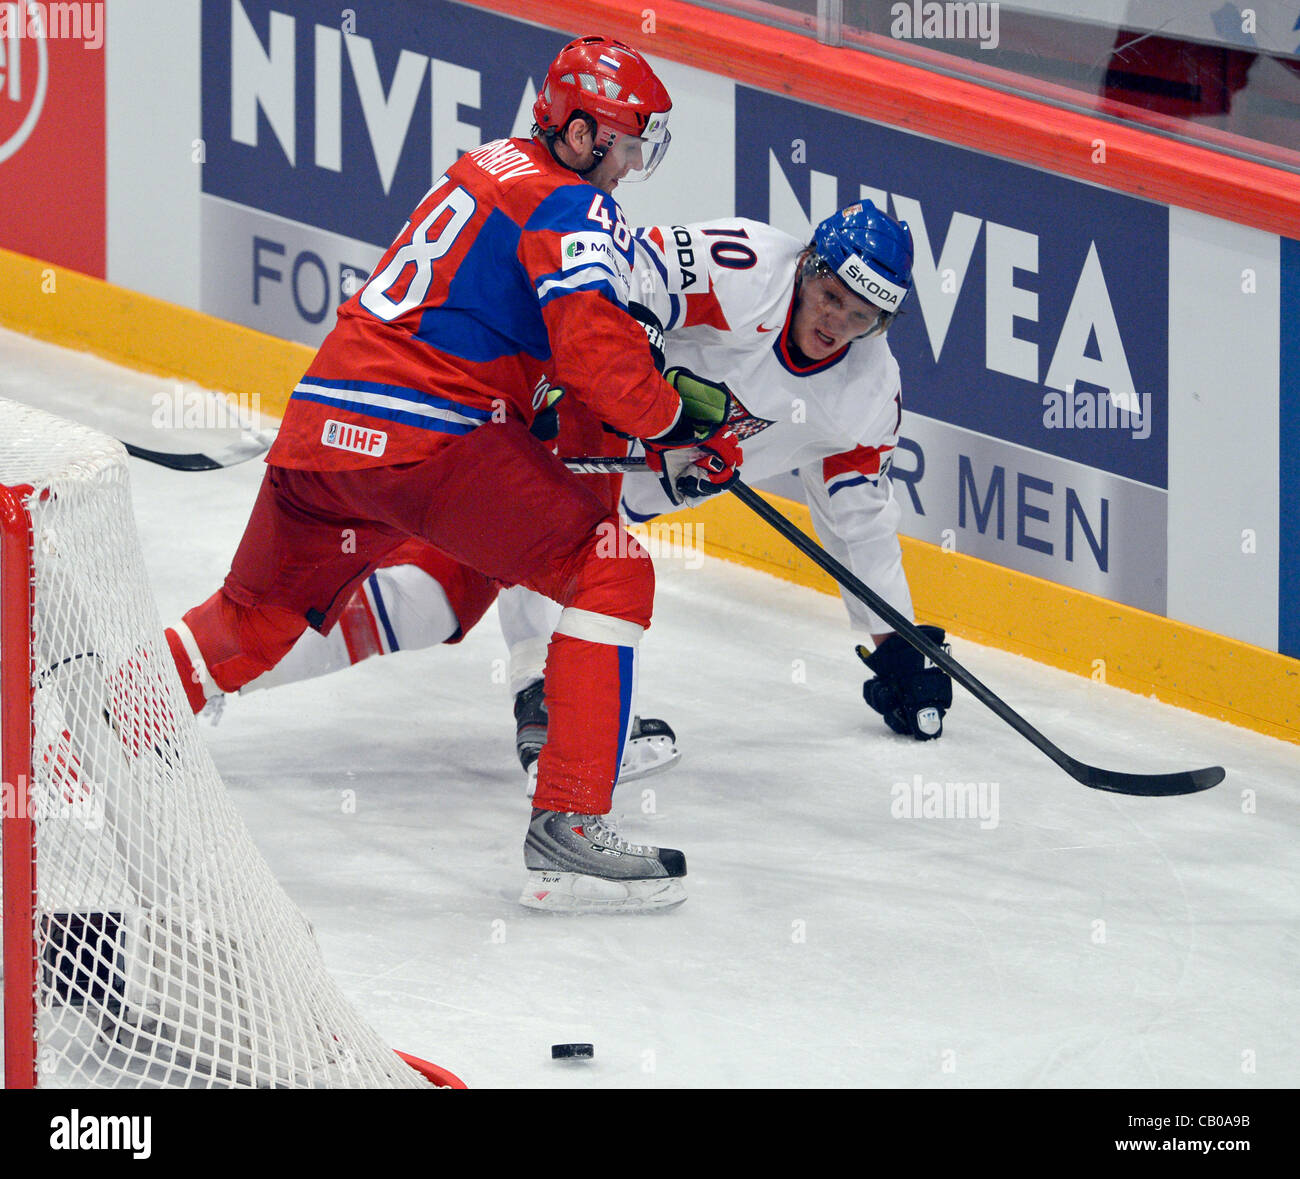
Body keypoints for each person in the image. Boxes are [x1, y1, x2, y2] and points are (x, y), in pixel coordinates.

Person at [164, 35, 744, 913]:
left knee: (252, 618)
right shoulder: (574, 207)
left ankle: (74, 731)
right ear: (583, 134)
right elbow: (593, 353)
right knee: (612, 569)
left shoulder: (485, 166)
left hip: (324, 423)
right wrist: (672, 423)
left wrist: (630, 419)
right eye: (625, 143)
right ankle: (568, 833)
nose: (629, 164)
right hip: (423, 435)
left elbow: (522, 343)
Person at [207, 201, 956, 789]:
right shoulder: (746, 263)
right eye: (829, 296)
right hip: (562, 424)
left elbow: (858, 518)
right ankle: (548, 704)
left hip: (620, 489)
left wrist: (897, 640)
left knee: (439, 594)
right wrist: (657, 393)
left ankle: (199, 679)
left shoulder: (865, 396)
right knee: (556, 560)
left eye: (859, 318)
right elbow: (621, 283)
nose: (835, 324)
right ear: (809, 267)